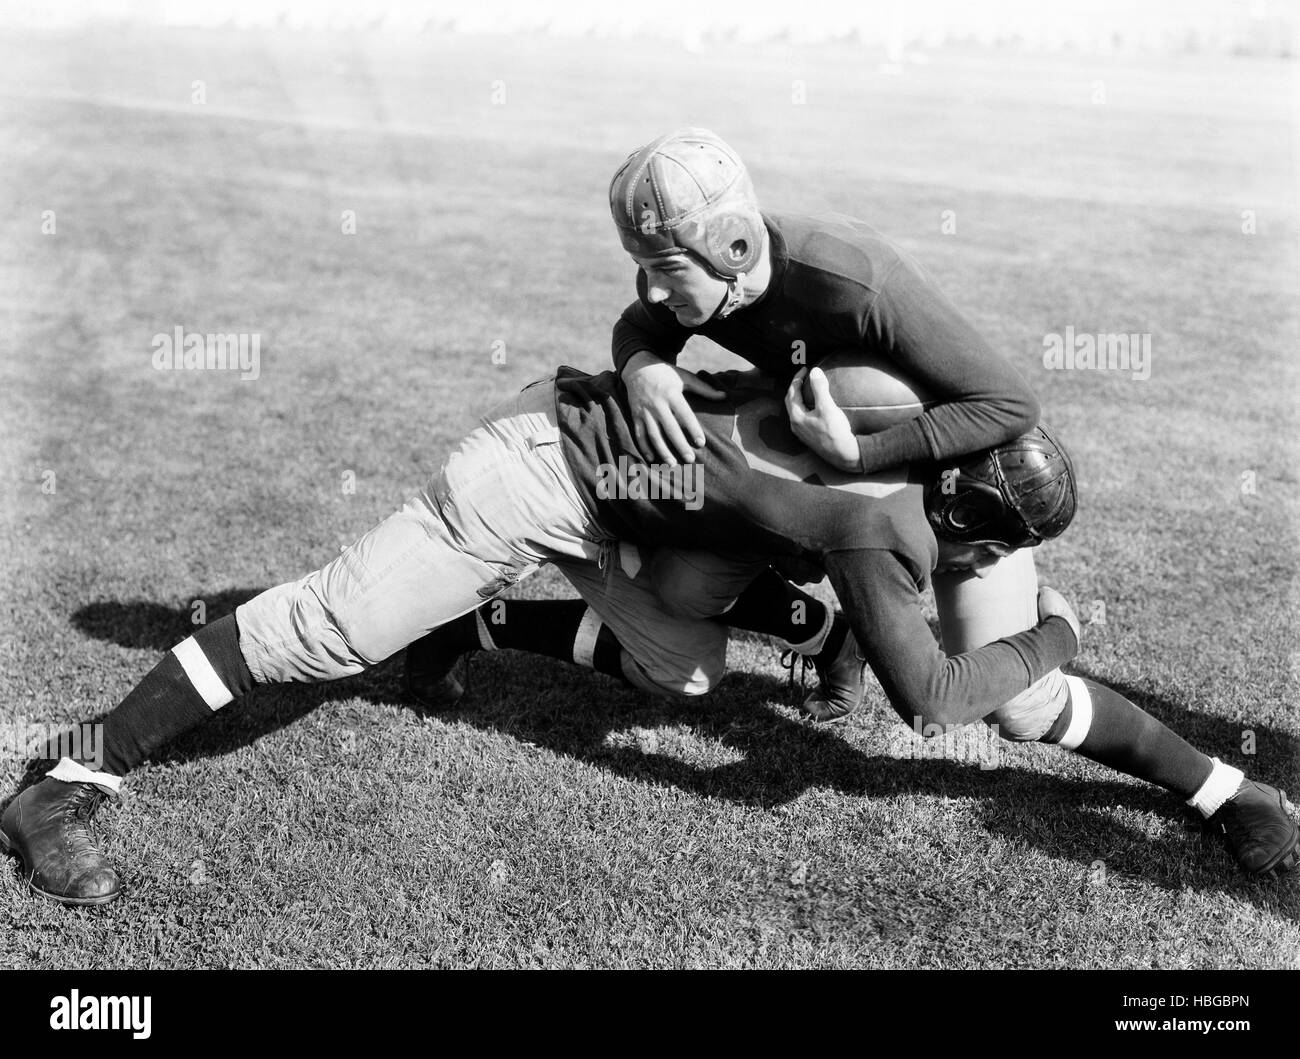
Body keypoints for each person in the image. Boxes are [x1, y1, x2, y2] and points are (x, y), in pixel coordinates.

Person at [4, 369, 1293, 907]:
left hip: (654, 527)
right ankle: (63, 784)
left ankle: (1223, 785)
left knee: (678, 667)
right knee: (328, 628)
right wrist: (1051, 634)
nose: (993, 580)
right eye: (993, 555)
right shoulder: (874, 508)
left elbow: (719, 543)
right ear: (958, 500)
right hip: (548, 476)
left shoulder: (916, 460)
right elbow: (934, 705)